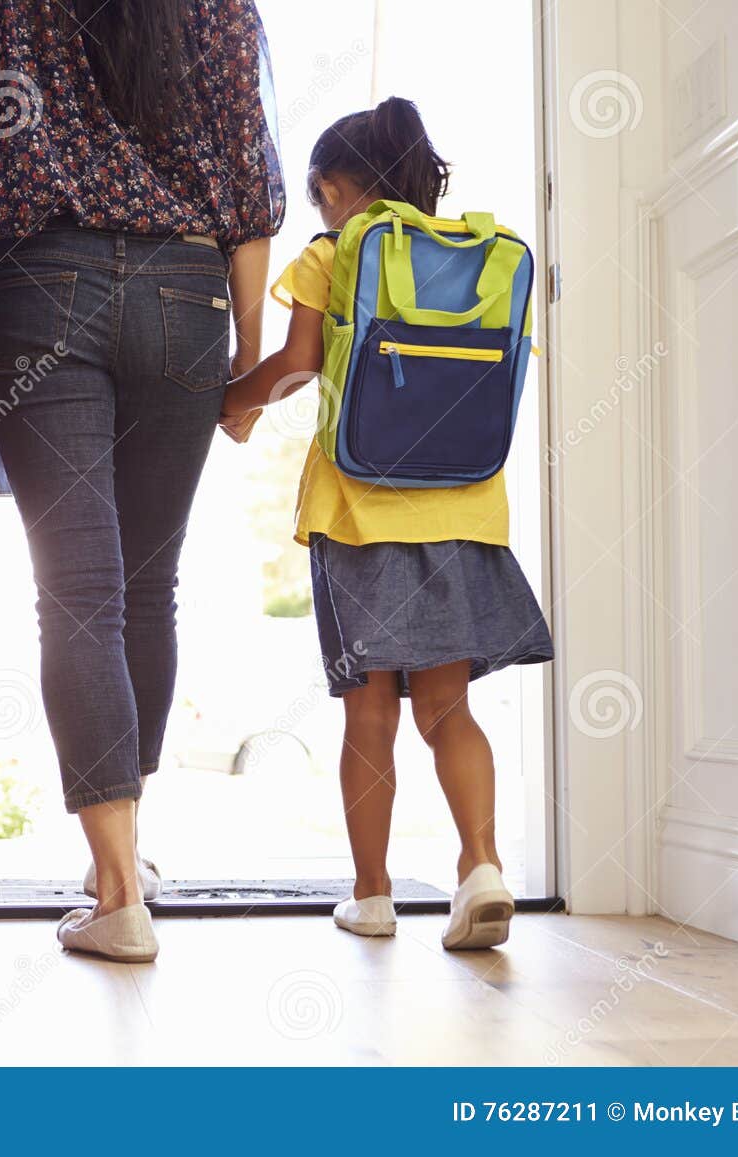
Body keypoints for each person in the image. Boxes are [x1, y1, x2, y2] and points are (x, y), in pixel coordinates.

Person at [0, 0, 284, 960]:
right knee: (148, 584)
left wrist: (39, 157)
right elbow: (247, 187)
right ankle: (125, 860)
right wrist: (245, 356)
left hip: (43, 280)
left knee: (79, 593)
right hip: (188, 294)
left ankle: (117, 890)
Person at [219, 97, 553, 950]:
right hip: (466, 506)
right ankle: (481, 865)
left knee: (369, 717)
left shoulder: (334, 252)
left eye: (320, 195)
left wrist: (235, 406)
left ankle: (371, 896)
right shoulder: (479, 256)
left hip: (359, 511)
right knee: (448, 709)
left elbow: (296, 367)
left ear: (333, 186)